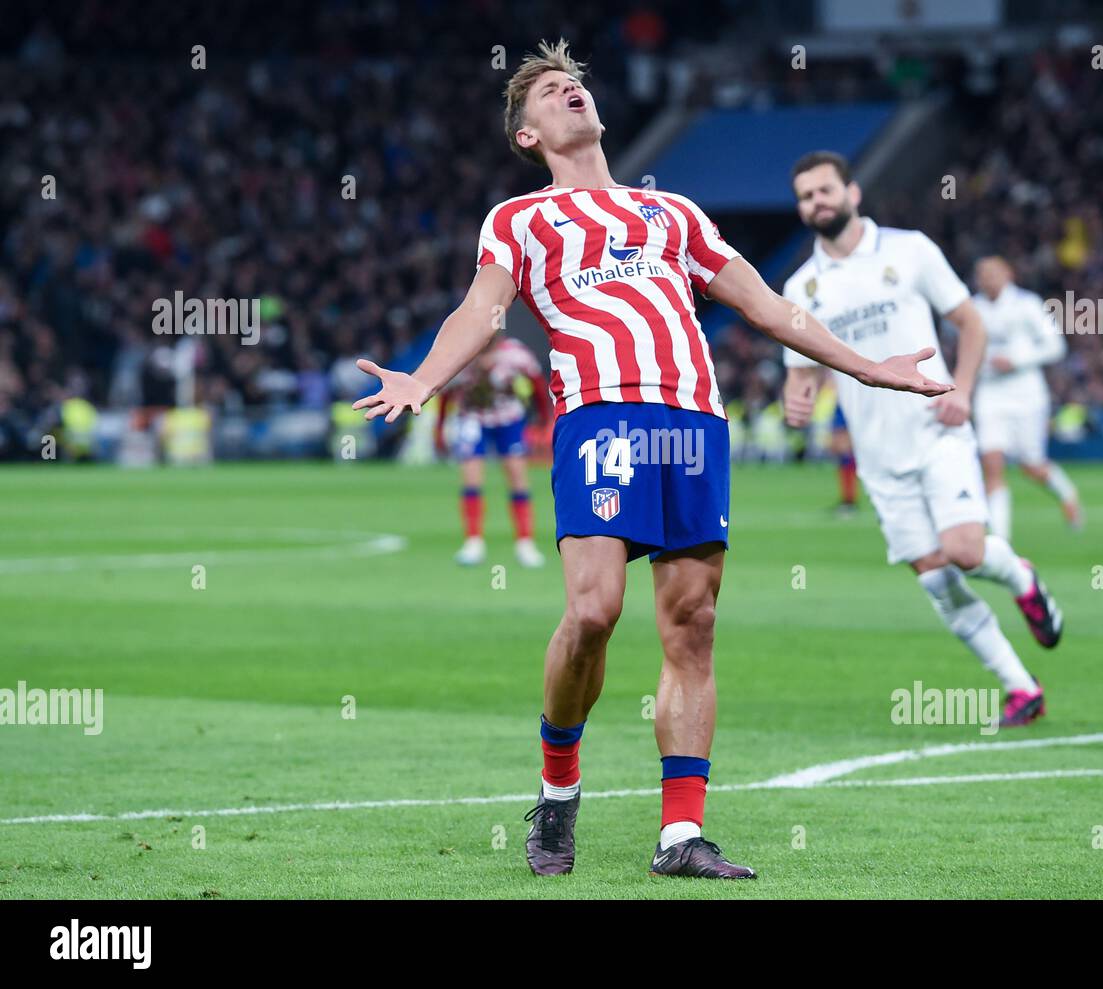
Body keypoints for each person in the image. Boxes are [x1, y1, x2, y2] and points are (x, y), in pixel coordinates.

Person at [351, 42, 952, 879]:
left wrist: (870, 365)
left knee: (693, 625)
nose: (571, 92)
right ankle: (559, 787)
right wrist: (422, 377)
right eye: (550, 93)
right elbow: (480, 312)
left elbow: (771, 307)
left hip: (693, 421)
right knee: (595, 611)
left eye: (575, 84)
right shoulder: (519, 221)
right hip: (601, 418)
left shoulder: (673, 214)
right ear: (527, 137)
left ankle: (680, 835)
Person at [780, 151, 1064, 729]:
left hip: (938, 430)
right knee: (938, 581)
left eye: (826, 190)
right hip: (879, 458)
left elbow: (971, 322)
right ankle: (1020, 688)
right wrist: (797, 394)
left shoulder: (910, 250)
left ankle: (1022, 578)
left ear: (853, 192)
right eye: (806, 196)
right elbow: (801, 367)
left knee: (964, 551)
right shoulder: (800, 287)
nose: (818, 202)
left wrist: (962, 389)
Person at [971, 256, 1082, 540]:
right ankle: (1000, 541)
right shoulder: (973, 308)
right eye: (982, 274)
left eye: (993, 272)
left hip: (1026, 394)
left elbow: (1056, 345)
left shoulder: (1027, 304)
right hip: (990, 394)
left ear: (1008, 273)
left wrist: (1017, 360)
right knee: (992, 464)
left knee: (1031, 465)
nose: (988, 279)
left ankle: (1067, 493)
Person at [435, 334, 549, 568]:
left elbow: (537, 382)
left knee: (518, 478)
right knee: (471, 479)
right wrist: (440, 427)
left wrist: (544, 418)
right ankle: (473, 542)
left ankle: (525, 543)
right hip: (472, 419)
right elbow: (446, 394)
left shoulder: (514, 352)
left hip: (509, 419)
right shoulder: (462, 353)